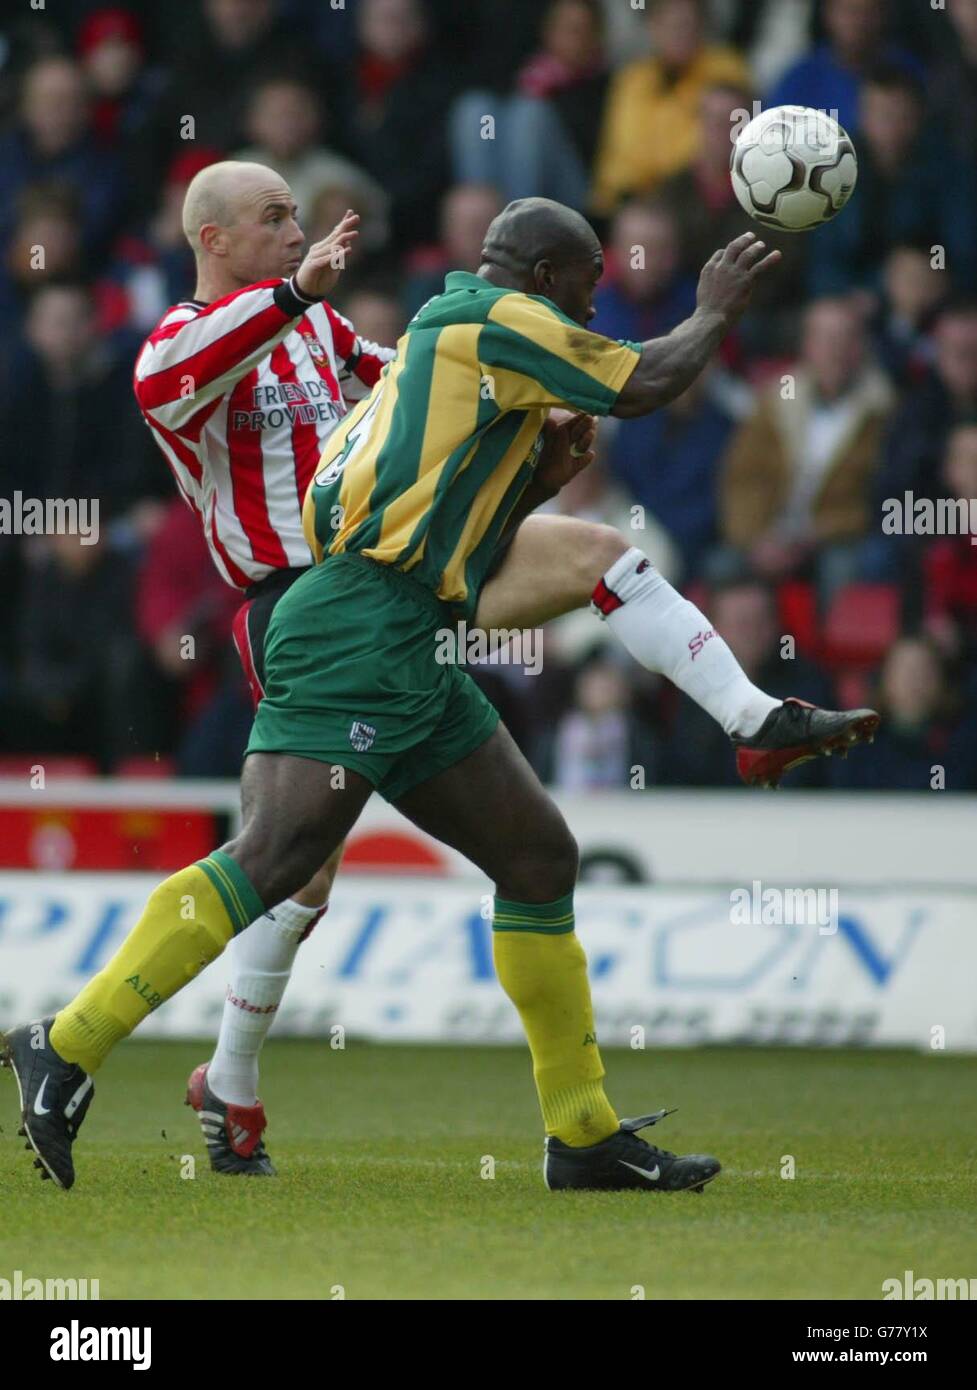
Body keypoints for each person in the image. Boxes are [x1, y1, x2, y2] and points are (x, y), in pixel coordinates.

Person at [2, 199, 880, 1194]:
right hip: (354, 621)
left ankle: (580, 1133)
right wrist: (713, 307)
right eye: (586, 284)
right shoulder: (488, 320)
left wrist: (534, 480)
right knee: (279, 857)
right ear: (545, 274)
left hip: (399, 621)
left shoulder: (420, 349)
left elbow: (428, 508)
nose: (591, 302)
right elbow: (646, 378)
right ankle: (66, 1044)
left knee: (538, 856)